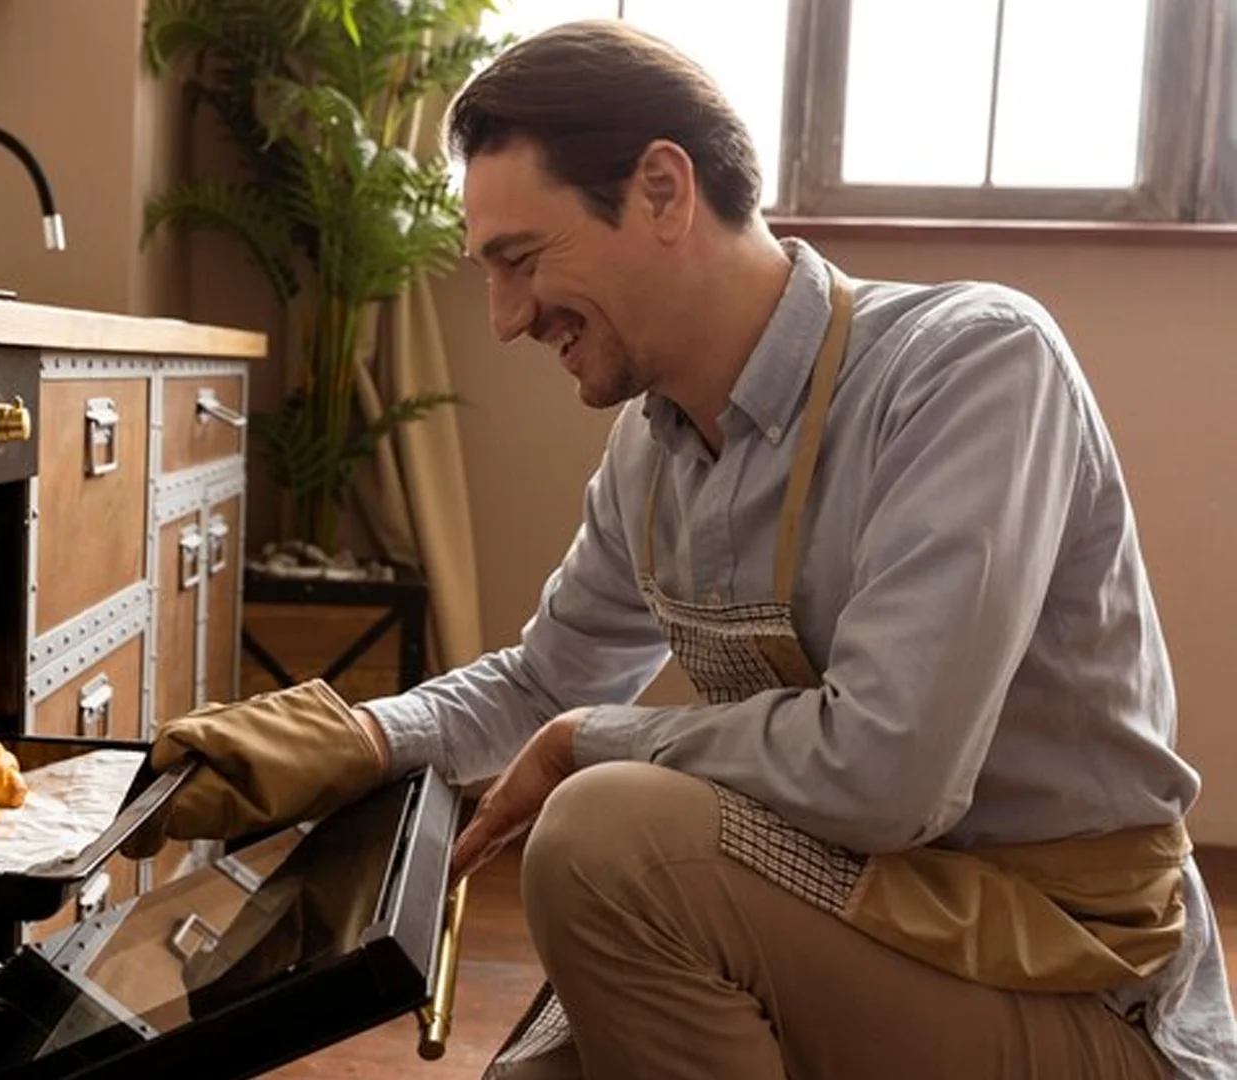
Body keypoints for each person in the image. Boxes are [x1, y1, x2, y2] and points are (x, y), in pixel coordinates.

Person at [119, 18, 1237, 1080]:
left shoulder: (972, 369)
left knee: (606, 839)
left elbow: (890, 771)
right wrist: (349, 737)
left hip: (1081, 991)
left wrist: (592, 744)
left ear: (662, 189)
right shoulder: (649, 456)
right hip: (869, 918)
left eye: (521, 259)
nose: (506, 317)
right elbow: (545, 684)